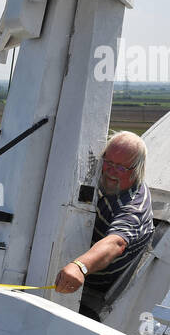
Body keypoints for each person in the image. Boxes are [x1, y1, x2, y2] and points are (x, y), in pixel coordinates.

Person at [54, 131, 153, 320]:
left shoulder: (135, 206)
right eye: (108, 162)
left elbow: (116, 243)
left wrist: (80, 267)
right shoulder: (95, 175)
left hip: (94, 294)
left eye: (121, 168)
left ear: (137, 170)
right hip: (65, 271)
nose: (110, 171)